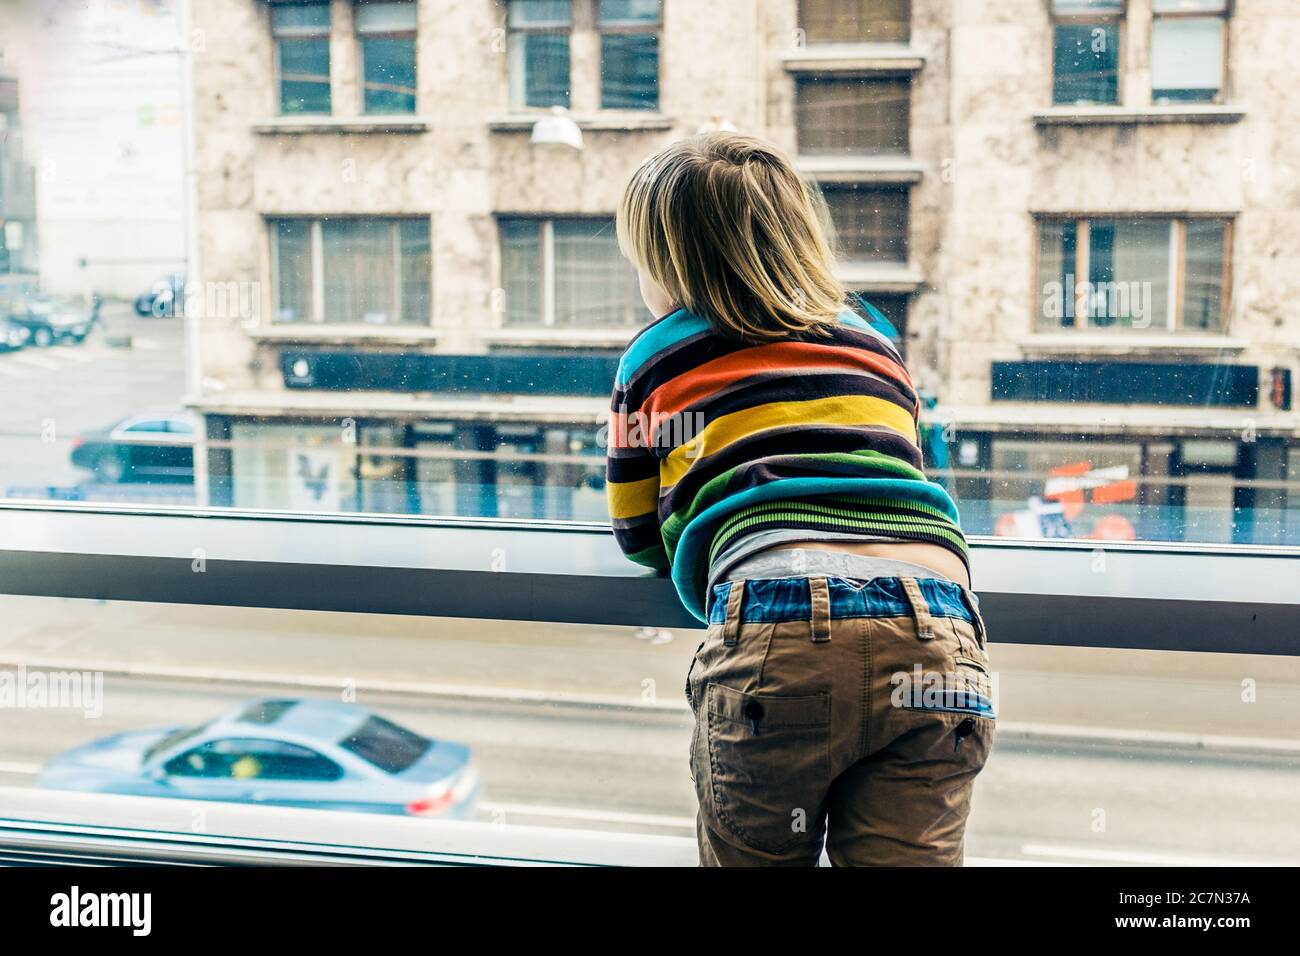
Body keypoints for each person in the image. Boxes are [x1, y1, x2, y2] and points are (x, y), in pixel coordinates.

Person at [605, 133, 995, 866]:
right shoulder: (874, 342)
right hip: (940, 624)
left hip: (780, 627)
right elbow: (909, 465)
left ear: (669, 266)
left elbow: (636, 532)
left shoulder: (653, 357)